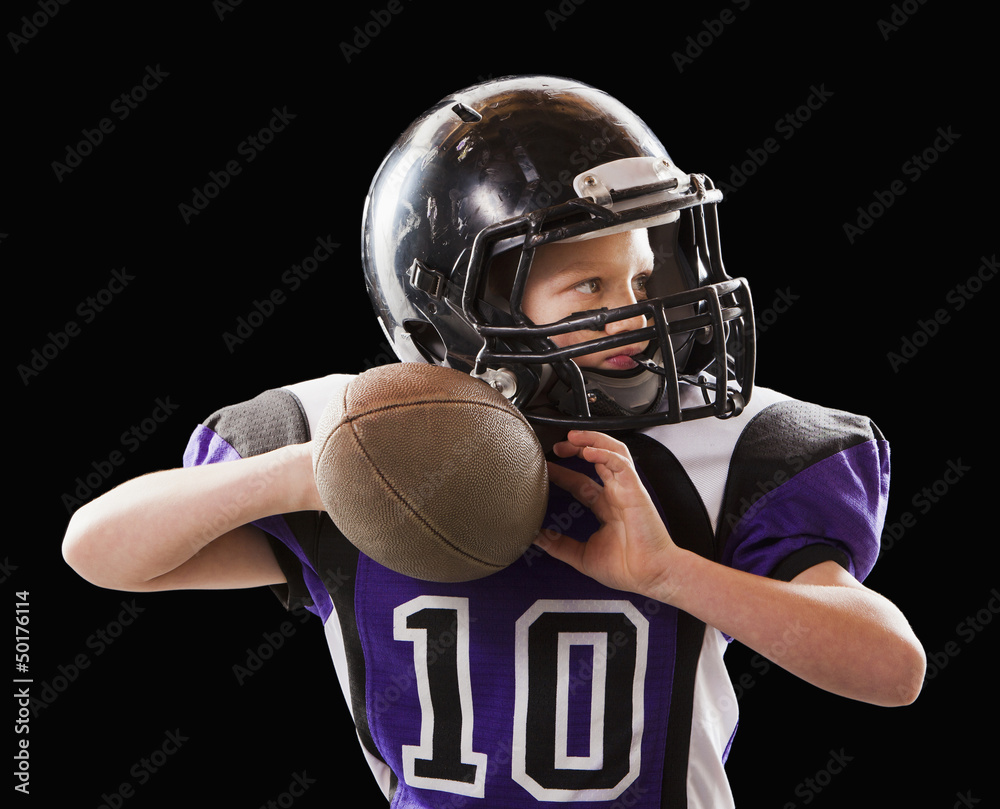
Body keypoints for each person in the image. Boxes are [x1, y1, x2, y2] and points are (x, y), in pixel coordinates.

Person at [62, 75, 925, 808]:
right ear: (456, 311)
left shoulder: (726, 441)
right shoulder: (348, 441)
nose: (631, 309)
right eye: (586, 283)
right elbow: (98, 550)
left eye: (636, 272)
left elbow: (891, 669)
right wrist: (302, 473)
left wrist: (671, 573)